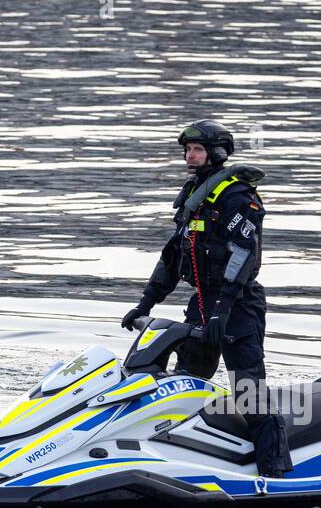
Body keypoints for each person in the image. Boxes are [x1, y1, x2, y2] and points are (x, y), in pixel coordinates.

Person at [121, 119, 293, 477]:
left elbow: (244, 254)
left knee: (250, 396)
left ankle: (276, 473)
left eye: (196, 150)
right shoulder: (194, 197)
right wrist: (146, 303)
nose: (189, 156)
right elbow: (172, 256)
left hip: (239, 307)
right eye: (187, 150)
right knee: (183, 386)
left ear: (215, 153)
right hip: (202, 305)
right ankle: (180, 464)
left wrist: (223, 310)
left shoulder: (237, 196)